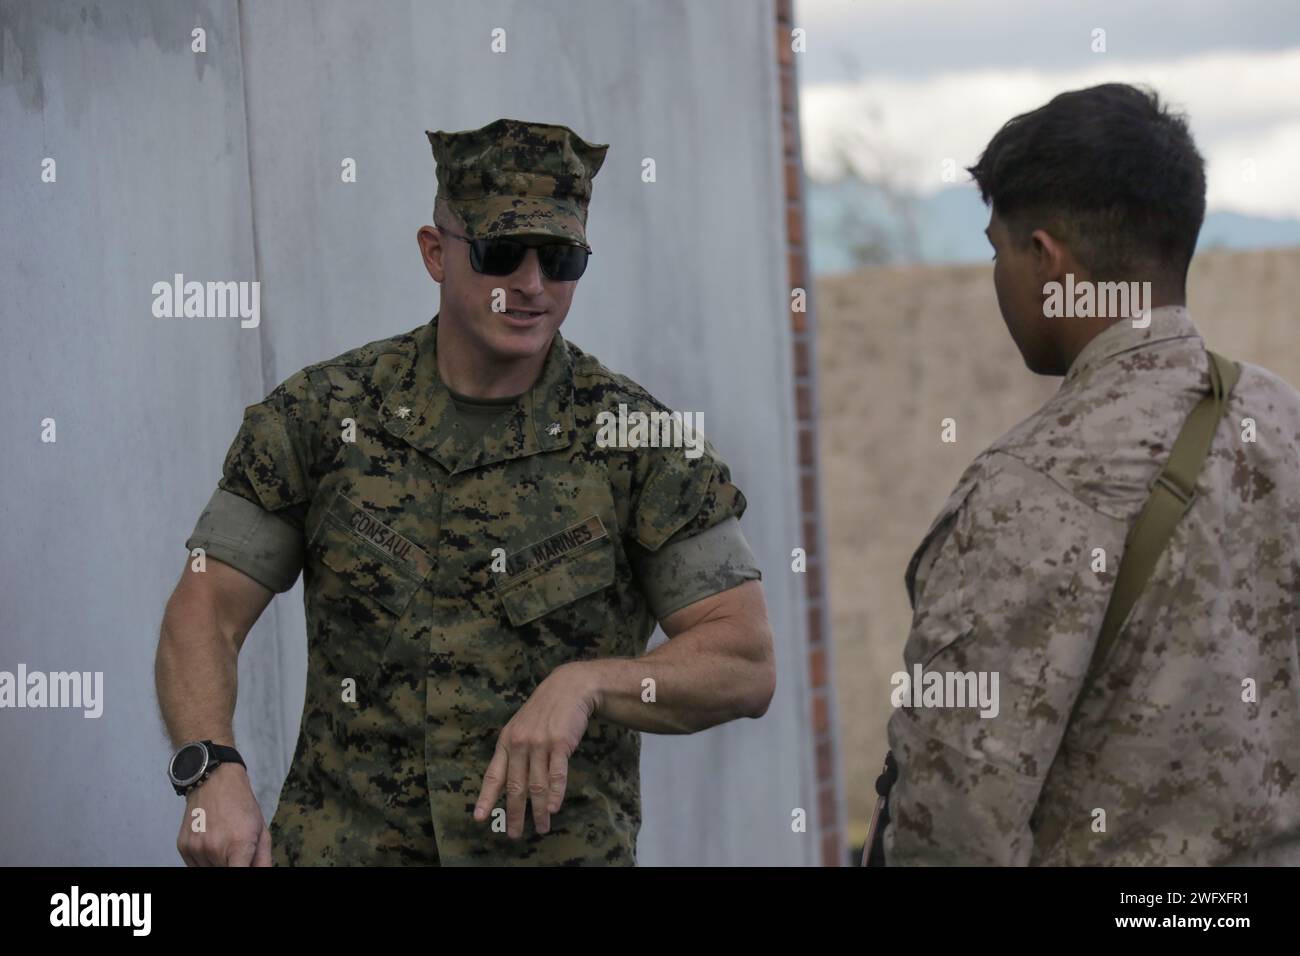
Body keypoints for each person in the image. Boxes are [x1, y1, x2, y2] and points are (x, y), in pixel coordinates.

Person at [155, 118, 776, 866]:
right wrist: (210, 769)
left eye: (562, 259)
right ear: (435, 252)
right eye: (501, 254)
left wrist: (588, 685)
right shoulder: (323, 417)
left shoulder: (640, 443)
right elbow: (205, 608)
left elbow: (743, 661)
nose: (532, 284)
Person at [881, 84, 1300, 865]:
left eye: (998, 249)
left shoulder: (1025, 485)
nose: (998, 277)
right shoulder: (1285, 424)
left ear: (1047, 259)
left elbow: (955, 821)